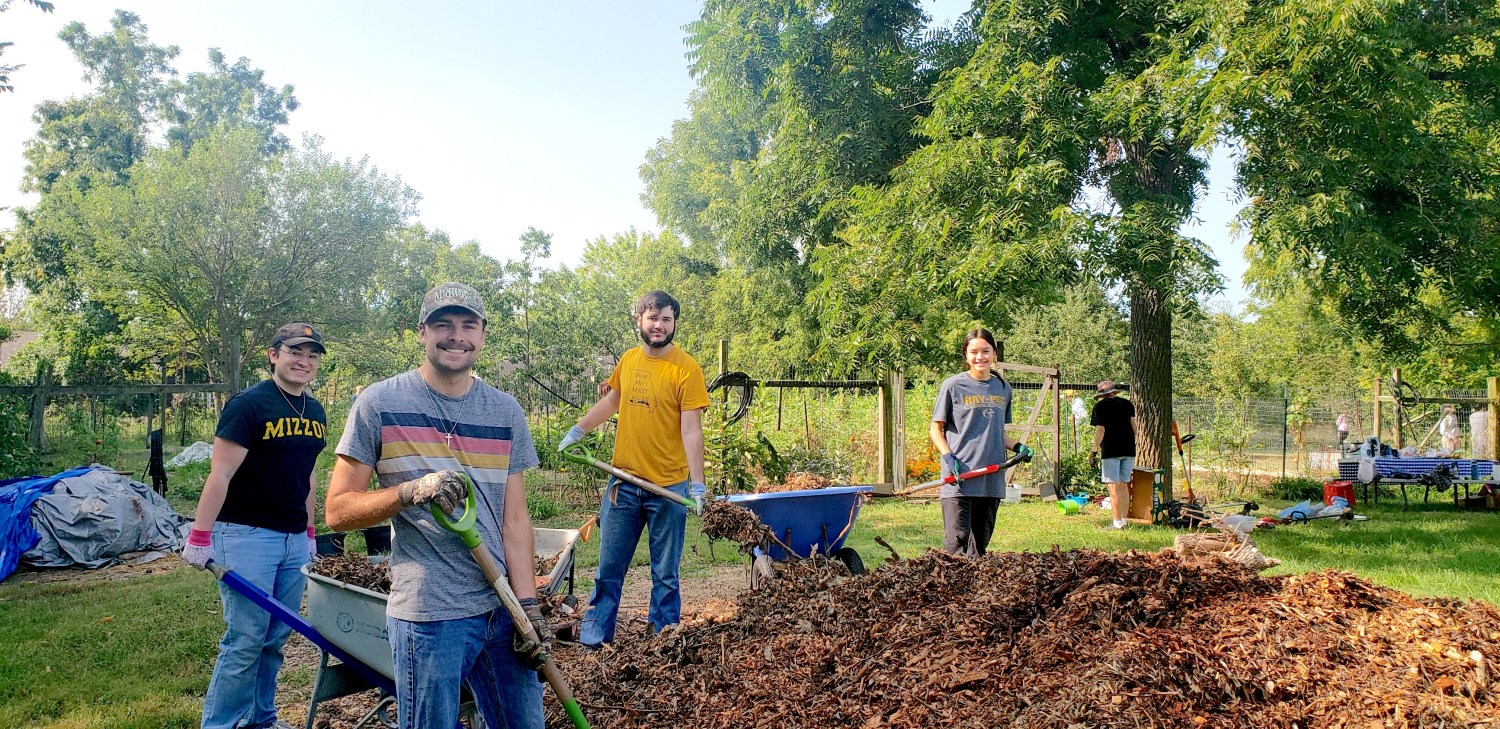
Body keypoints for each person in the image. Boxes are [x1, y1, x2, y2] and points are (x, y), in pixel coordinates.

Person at [324, 283, 545, 729]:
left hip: (502, 610)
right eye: (443, 325)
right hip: (430, 615)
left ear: (482, 335)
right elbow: (337, 510)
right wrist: (408, 492)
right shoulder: (380, 403)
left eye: (468, 325)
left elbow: (515, 519)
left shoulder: (505, 411)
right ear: (421, 332)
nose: (456, 336)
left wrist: (528, 605)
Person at [181, 323, 328, 729]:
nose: (304, 361)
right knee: (245, 640)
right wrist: (199, 536)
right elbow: (220, 474)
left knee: (275, 640)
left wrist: (310, 532)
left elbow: (309, 477)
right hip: (246, 536)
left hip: (293, 539)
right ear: (274, 354)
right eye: (295, 351)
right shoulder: (248, 405)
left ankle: (260, 719)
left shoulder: (315, 410)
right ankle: (221, 724)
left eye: (312, 355)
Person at [559, 290, 709, 647]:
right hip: (622, 484)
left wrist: (698, 485)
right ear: (639, 320)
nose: (659, 325)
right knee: (608, 570)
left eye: (666, 319)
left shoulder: (686, 368)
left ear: (674, 324)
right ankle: (595, 641)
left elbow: (691, 429)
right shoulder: (628, 361)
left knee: (666, 575)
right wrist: (579, 429)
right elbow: (611, 401)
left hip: (669, 488)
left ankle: (663, 641)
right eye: (652, 318)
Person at [928, 327, 1032, 557]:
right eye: (974, 352)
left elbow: (996, 431)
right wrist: (948, 457)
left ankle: (975, 592)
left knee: (979, 549)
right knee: (956, 548)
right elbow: (936, 429)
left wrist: (1017, 447)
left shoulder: (1003, 388)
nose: (980, 357)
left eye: (985, 351)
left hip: (990, 477)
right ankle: (949, 591)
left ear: (994, 353)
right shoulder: (953, 385)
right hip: (960, 476)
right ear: (966, 355)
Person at [1090, 379, 1137, 530]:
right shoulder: (1127, 404)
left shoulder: (1100, 407)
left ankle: (1116, 524)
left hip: (1111, 450)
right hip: (1128, 449)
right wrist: (1131, 442)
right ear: (1114, 392)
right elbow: (1134, 426)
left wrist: (1094, 451)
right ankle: (1123, 521)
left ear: (1102, 395)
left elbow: (1100, 430)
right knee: (1124, 486)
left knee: (1113, 487)